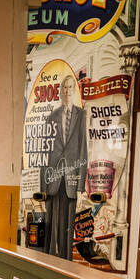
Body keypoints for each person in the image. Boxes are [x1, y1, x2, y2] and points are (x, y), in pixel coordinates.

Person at [41, 74, 87, 260]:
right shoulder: (51, 116)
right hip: (53, 178)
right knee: (51, 224)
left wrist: (81, 187)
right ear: (60, 92)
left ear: (74, 90)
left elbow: (83, 149)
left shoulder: (81, 115)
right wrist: (43, 189)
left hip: (71, 178)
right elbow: (44, 154)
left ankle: (66, 261)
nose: (67, 91)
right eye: (64, 88)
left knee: (68, 224)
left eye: (70, 87)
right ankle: (50, 260)